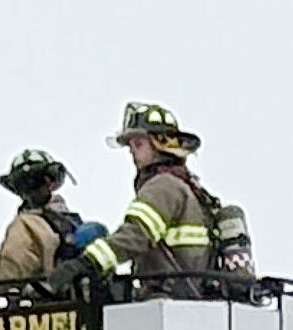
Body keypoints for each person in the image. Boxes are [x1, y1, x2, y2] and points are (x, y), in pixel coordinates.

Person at [81, 100, 251, 279]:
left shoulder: (163, 186)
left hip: (167, 294)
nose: (132, 152)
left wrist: (85, 263)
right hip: (192, 298)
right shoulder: (189, 187)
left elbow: (136, 234)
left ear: (160, 143)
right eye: (130, 147)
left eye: (138, 144)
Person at [0, 151, 83, 280]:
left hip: (48, 295)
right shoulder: (70, 222)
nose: (31, 191)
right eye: (23, 185)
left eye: (36, 181)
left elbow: (10, 276)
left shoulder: (26, 225)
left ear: (51, 183)